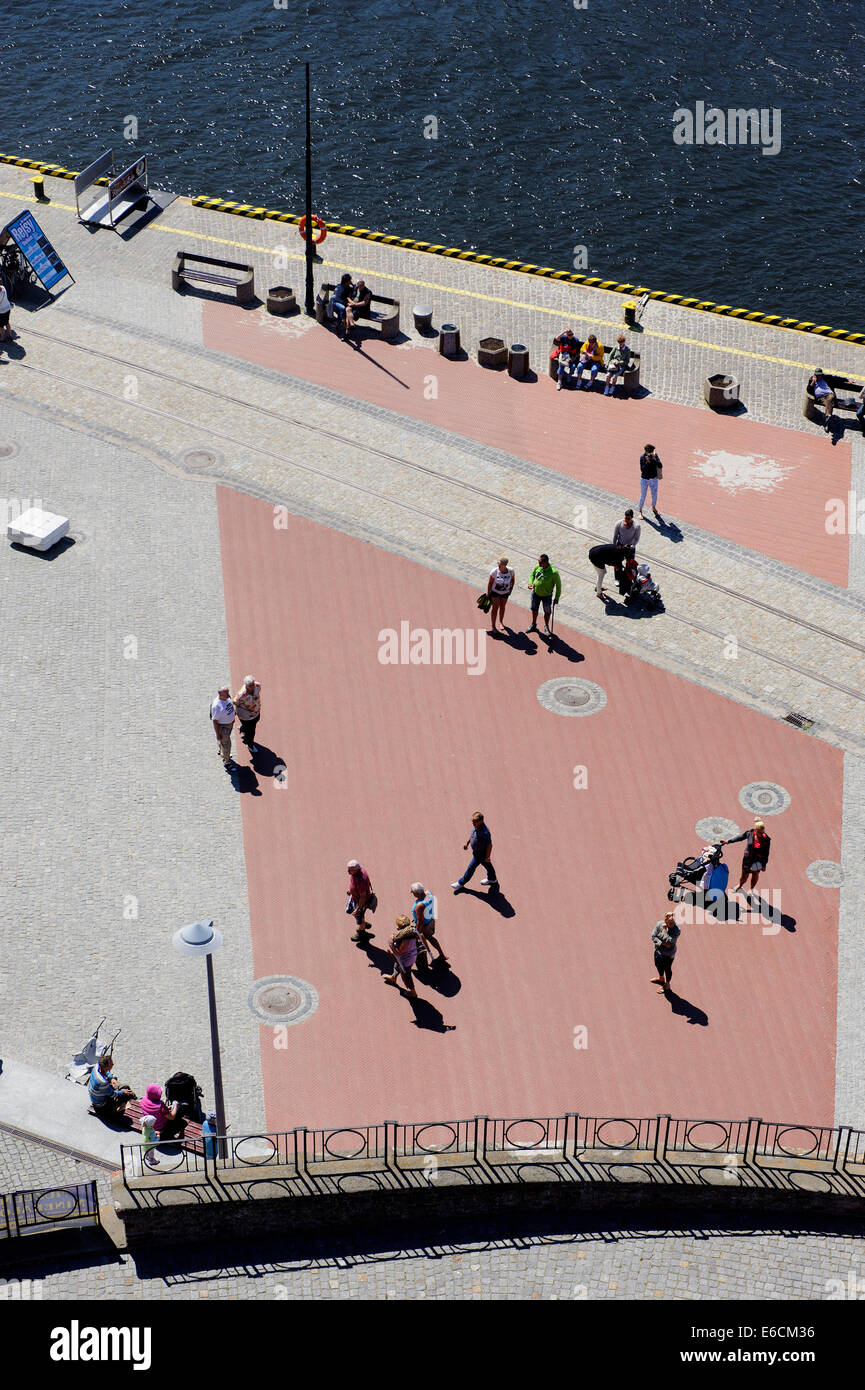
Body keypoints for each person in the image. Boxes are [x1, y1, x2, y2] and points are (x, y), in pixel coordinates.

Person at [723, 820, 772, 899]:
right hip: (748, 859)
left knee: (755, 874)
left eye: (762, 832)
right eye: (759, 832)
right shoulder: (750, 833)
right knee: (744, 875)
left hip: (758, 861)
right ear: (755, 830)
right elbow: (741, 837)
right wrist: (729, 841)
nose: (761, 834)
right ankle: (740, 885)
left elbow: (766, 853)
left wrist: (764, 865)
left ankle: (751, 889)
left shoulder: (766, 840)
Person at [452, 812, 498, 892]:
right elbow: (472, 835)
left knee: (471, 868)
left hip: (481, 854)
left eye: (475, 822)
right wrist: (467, 843)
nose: (473, 823)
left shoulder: (485, 832)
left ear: (481, 821)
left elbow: (489, 845)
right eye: (472, 821)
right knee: (488, 866)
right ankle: (492, 878)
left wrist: (487, 857)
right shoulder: (476, 826)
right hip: (476, 852)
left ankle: (460, 883)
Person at [87, 1053, 135, 1119]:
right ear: (106, 1067)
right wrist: (123, 1092)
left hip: (99, 1095)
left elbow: (106, 1072)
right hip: (102, 1105)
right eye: (111, 1064)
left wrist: (111, 1078)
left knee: (125, 1087)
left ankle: (131, 1096)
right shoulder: (102, 1082)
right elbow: (113, 1094)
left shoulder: (97, 1066)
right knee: (126, 1093)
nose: (113, 1064)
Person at [526, 553, 562, 635]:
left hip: (546, 596)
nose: (538, 564)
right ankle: (533, 624)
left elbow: (559, 586)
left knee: (547, 612)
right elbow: (532, 574)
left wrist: (557, 598)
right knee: (534, 609)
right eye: (538, 562)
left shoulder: (554, 573)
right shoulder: (538, 566)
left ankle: (546, 626)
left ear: (546, 562)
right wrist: (530, 583)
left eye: (540, 562)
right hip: (535, 593)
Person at [384, 916, 419, 995]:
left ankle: (413, 993)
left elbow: (399, 953)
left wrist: (391, 945)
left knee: (406, 977)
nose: (397, 928)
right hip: (410, 956)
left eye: (398, 927)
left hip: (406, 960)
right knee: (397, 966)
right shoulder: (411, 934)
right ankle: (393, 977)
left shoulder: (405, 940)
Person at [651, 912, 681, 994]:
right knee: (657, 965)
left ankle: (667, 984)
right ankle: (661, 978)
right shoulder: (659, 924)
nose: (672, 924)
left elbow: (669, 942)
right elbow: (653, 936)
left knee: (667, 969)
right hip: (658, 951)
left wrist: (664, 931)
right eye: (670, 922)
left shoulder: (677, 930)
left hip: (668, 955)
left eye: (673, 922)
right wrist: (662, 943)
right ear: (665, 921)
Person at [346, 859, 376, 940]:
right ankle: (363, 924)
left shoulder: (360, 880)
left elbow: (363, 896)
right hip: (355, 897)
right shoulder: (358, 872)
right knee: (359, 917)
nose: (348, 872)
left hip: (360, 902)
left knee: (360, 918)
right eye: (348, 869)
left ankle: (361, 934)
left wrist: (358, 909)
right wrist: (351, 890)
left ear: (356, 869)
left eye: (350, 870)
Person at [487, 557, 515, 633]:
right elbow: (490, 583)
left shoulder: (511, 571)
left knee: (502, 607)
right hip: (495, 592)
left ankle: (501, 622)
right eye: (498, 563)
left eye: (500, 563)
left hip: (505, 593)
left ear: (505, 564)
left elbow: (512, 581)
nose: (498, 564)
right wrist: (488, 593)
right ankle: (493, 626)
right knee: (495, 608)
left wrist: (510, 590)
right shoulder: (494, 572)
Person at [234, 675, 261, 754]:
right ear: (246, 685)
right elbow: (235, 702)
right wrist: (245, 710)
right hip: (247, 717)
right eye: (250, 685)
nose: (253, 686)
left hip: (256, 712)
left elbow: (258, 692)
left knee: (255, 722)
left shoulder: (257, 686)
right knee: (251, 732)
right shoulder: (241, 695)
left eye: (253, 684)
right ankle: (250, 744)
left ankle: (243, 728)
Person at [211, 685, 235, 768]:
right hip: (223, 727)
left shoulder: (226, 697)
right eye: (226, 693)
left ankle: (222, 750)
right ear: (221, 695)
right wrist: (218, 734)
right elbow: (215, 721)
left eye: (228, 692)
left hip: (229, 724)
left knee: (223, 742)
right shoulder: (217, 706)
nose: (228, 694)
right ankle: (227, 762)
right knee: (227, 745)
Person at [638, 444, 663, 518]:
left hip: (654, 479)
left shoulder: (655, 456)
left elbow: (660, 465)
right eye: (650, 452)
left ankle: (653, 507)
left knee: (654, 494)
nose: (651, 453)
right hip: (645, 479)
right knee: (643, 495)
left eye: (652, 451)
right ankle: (640, 510)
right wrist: (647, 462)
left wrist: (655, 460)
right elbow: (642, 470)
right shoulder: (642, 457)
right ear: (645, 451)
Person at [330, 273, 354, 340]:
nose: (350, 282)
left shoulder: (342, 286)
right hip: (338, 305)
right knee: (343, 316)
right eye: (350, 281)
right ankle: (345, 332)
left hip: (337, 304)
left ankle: (337, 327)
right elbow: (340, 299)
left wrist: (352, 285)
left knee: (340, 317)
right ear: (347, 282)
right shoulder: (344, 288)